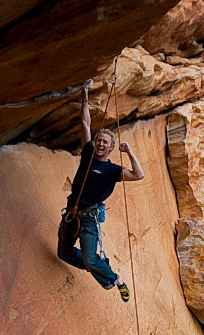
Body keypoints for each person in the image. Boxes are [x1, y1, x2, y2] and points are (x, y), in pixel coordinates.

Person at [57, 85, 144, 301]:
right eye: (99, 141)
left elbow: (138, 174)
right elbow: (85, 123)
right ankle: (97, 266)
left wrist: (130, 152)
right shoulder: (88, 153)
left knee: (90, 259)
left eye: (105, 142)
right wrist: (85, 99)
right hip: (72, 211)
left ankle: (115, 280)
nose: (100, 144)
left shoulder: (113, 170)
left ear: (111, 147)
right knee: (64, 254)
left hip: (88, 218)